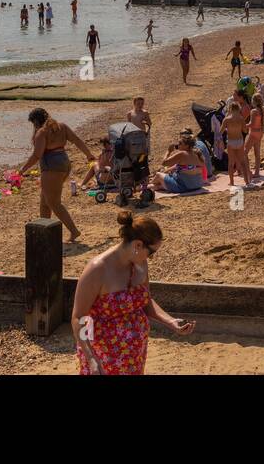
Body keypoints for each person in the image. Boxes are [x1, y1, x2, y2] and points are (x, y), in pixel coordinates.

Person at [72, 213, 195, 375]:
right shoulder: (98, 270)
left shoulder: (140, 264)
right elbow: (79, 317)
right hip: (103, 357)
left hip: (134, 356)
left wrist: (171, 322)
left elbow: (145, 301)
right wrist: (91, 359)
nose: (150, 258)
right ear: (138, 245)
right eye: (151, 253)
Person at [20, 108, 96, 243]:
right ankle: (45, 232)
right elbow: (77, 141)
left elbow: (37, 155)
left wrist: (21, 171)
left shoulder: (41, 133)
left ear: (36, 122)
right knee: (45, 202)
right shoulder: (62, 126)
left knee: (54, 203)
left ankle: (74, 231)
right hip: (64, 163)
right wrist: (88, 154)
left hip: (51, 167)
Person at [221, 101, 251, 187]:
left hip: (231, 141)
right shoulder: (241, 118)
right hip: (239, 140)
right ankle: (247, 181)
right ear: (238, 109)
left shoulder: (226, 119)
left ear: (230, 109)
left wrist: (227, 130)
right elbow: (245, 131)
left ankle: (232, 182)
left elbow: (220, 131)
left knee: (231, 163)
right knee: (242, 162)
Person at [246, 97, 264, 176]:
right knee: (257, 153)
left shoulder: (254, 111)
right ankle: (257, 172)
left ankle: (247, 171)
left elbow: (251, 124)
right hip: (260, 132)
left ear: (254, 101)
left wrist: (242, 126)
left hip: (253, 132)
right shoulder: (262, 111)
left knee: (244, 152)